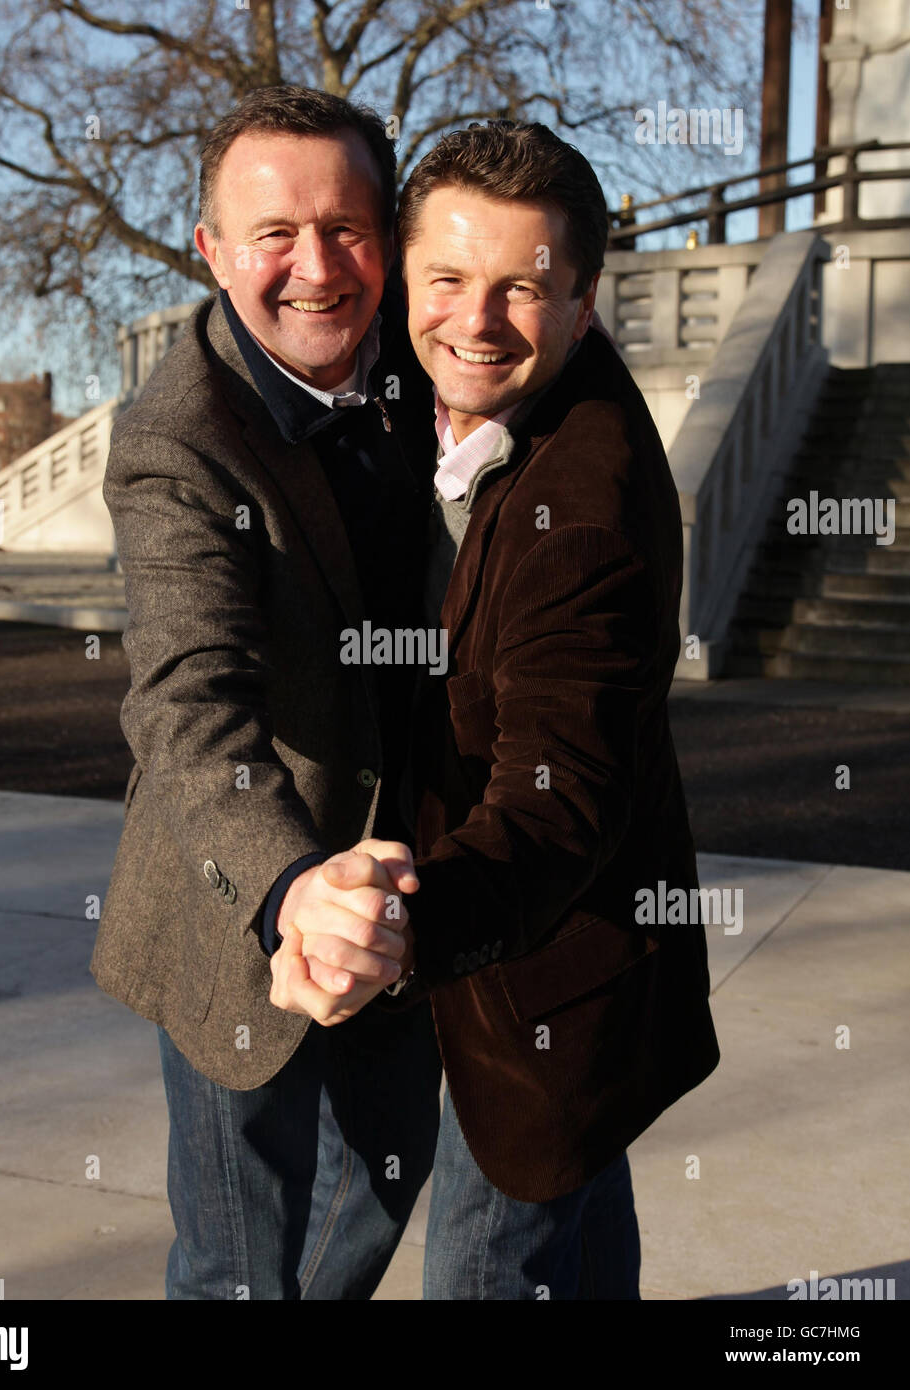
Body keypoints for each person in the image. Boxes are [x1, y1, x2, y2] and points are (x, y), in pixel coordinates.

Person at [270, 120, 721, 1300]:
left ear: (580, 301)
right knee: (577, 1233)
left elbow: (558, 798)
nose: (474, 320)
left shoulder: (584, 514)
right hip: (514, 940)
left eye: (522, 286)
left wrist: (397, 928)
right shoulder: (422, 409)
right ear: (400, 277)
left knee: (485, 1264)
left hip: (541, 970)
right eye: (447, 279)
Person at [90, 85, 444, 1300]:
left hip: (405, 874)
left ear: (390, 240)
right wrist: (295, 888)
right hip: (233, 893)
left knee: (387, 1180)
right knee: (236, 1263)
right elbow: (187, 703)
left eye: (345, 228)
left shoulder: (431, 361)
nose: (314, 268)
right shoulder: (175, 438)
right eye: (271, 235)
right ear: (212, 251)